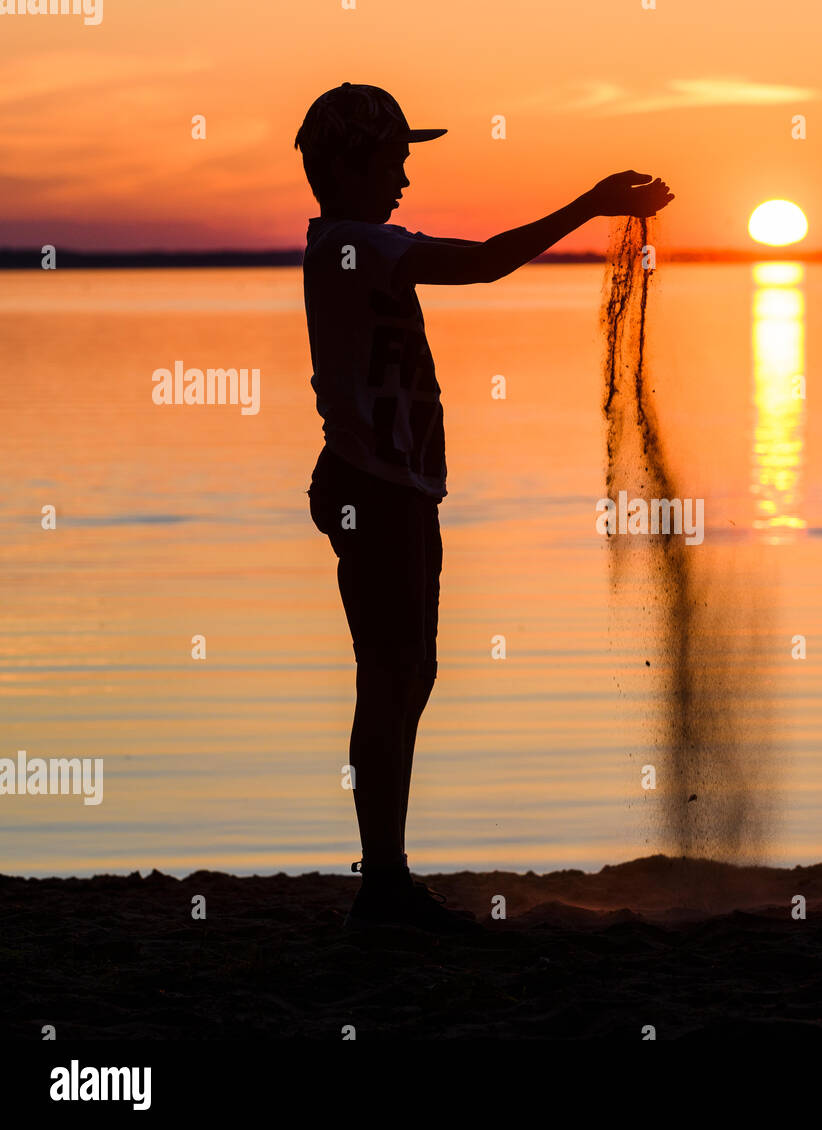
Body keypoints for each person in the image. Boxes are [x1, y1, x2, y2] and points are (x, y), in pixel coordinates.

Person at [294, 83, 673, 931]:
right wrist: (595, 202)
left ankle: (385, 874)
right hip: (379, 497)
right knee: (390, 678)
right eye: (394, 158)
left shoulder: (358, 244)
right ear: (351, 163)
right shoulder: (355, 247)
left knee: (406, 676)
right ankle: (383, 884)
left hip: (392, 491)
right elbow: (491, 260)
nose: (403, 177)